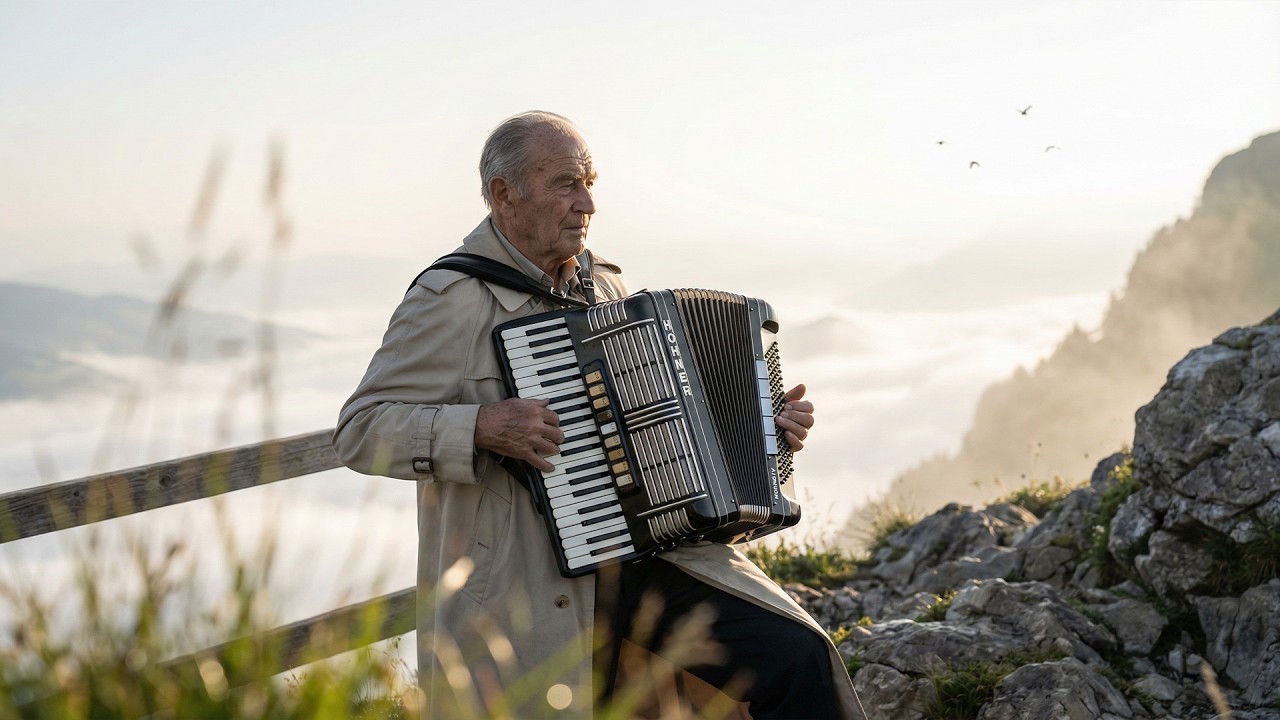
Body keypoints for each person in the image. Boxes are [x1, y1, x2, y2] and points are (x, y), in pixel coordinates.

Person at [333, 111, 861, 719]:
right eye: (565, 183)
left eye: (590, 182)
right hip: (526, 583)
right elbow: (361, 430)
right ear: (506, 194)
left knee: (799, 657)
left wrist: (765, 437)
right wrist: (480, 426)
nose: (586, 202)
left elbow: (664, 430)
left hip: (647, 560)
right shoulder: (449, 299)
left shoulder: (607, 285)